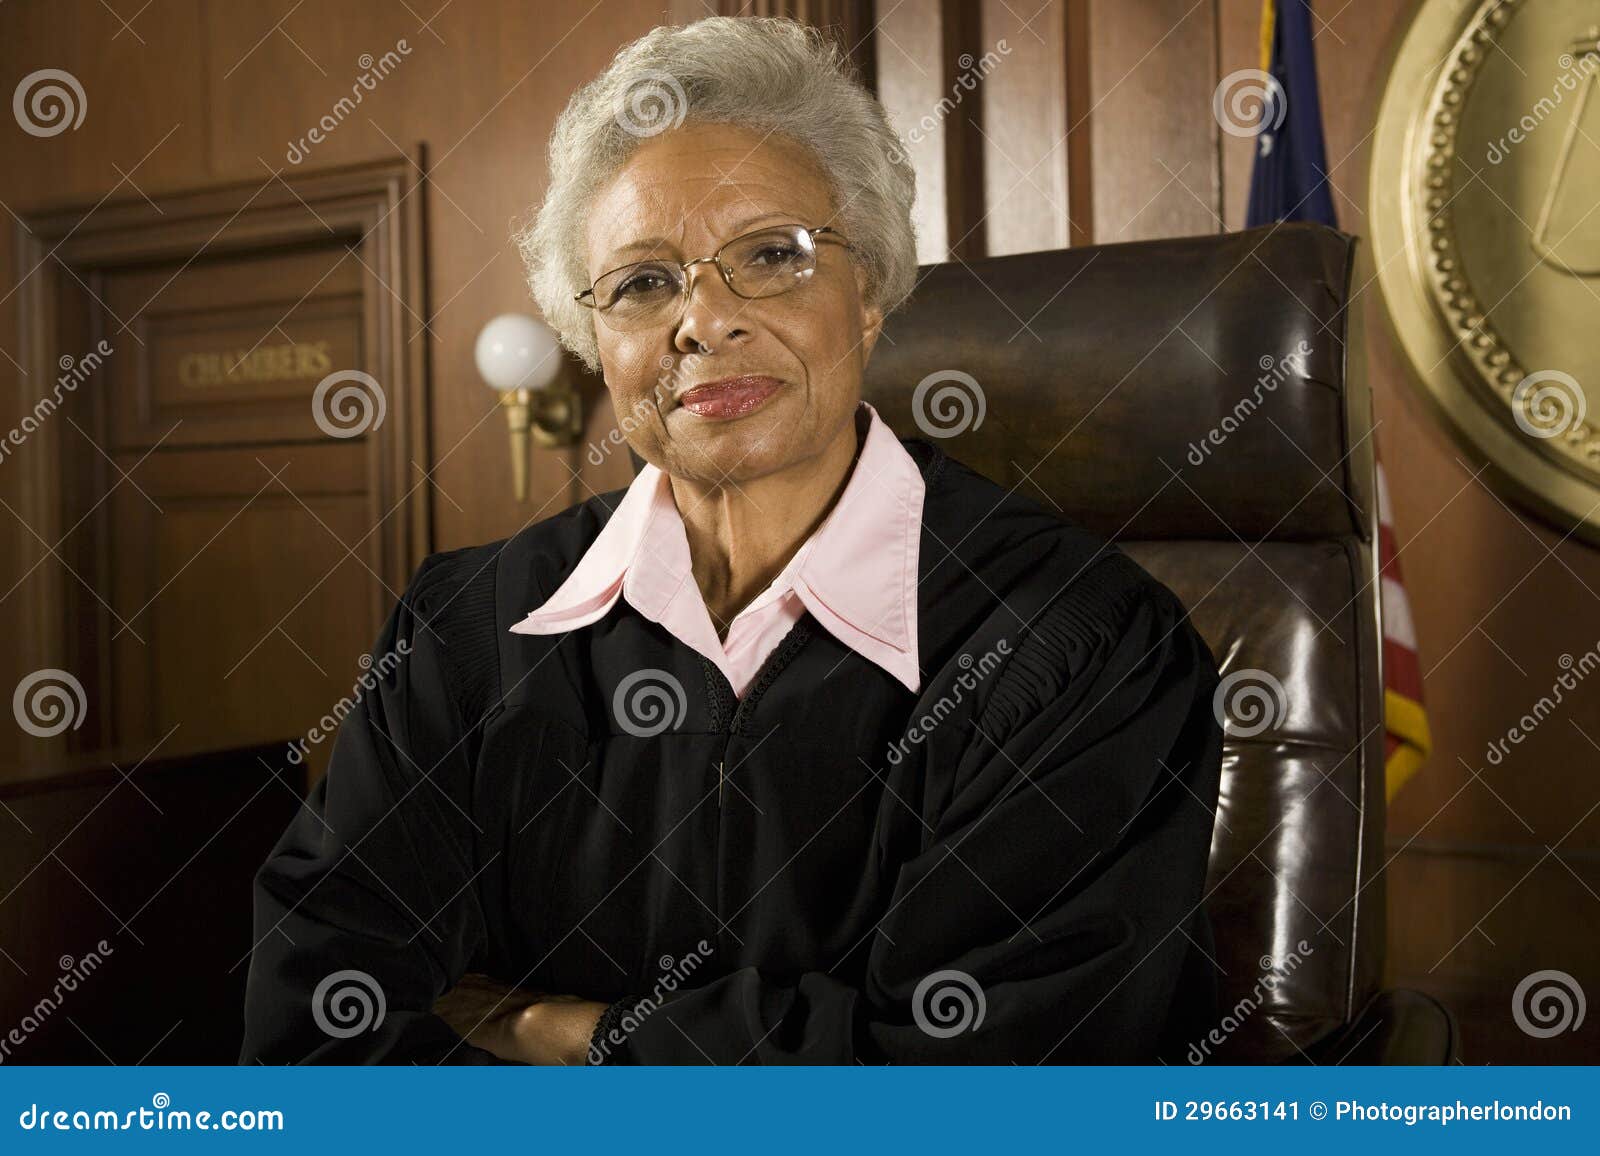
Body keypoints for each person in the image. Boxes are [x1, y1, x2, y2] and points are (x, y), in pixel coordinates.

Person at [239, 14, 1223, 1066]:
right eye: (643, 282)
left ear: (869, 292)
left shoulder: (1082, 647)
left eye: (771, 254)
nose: (704, 320)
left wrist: (565, 1034)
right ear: (594, 340)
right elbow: (316, 1035)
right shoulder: (466, 628)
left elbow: (972, 1094)